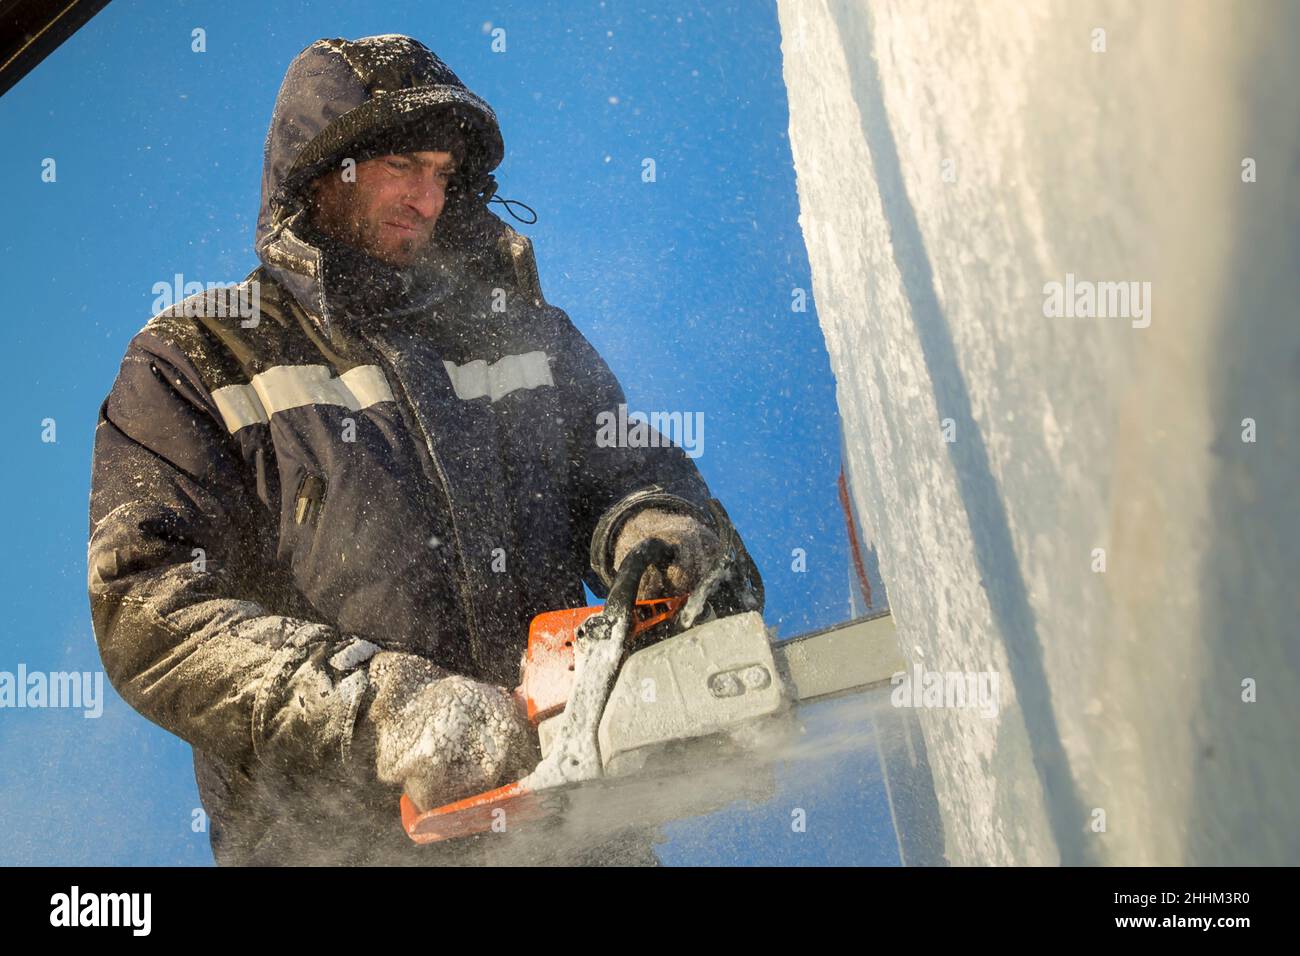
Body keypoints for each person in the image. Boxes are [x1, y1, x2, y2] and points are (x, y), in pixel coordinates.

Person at [87, 34, 746, 866]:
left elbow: (624, 465)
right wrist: (385, 710)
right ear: (319, 170)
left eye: (444, 174)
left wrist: (656, 531)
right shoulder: (199, 357)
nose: (428, 198)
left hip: (577, 835)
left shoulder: (520, 333)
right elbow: (151, 610)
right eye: (404, 164)